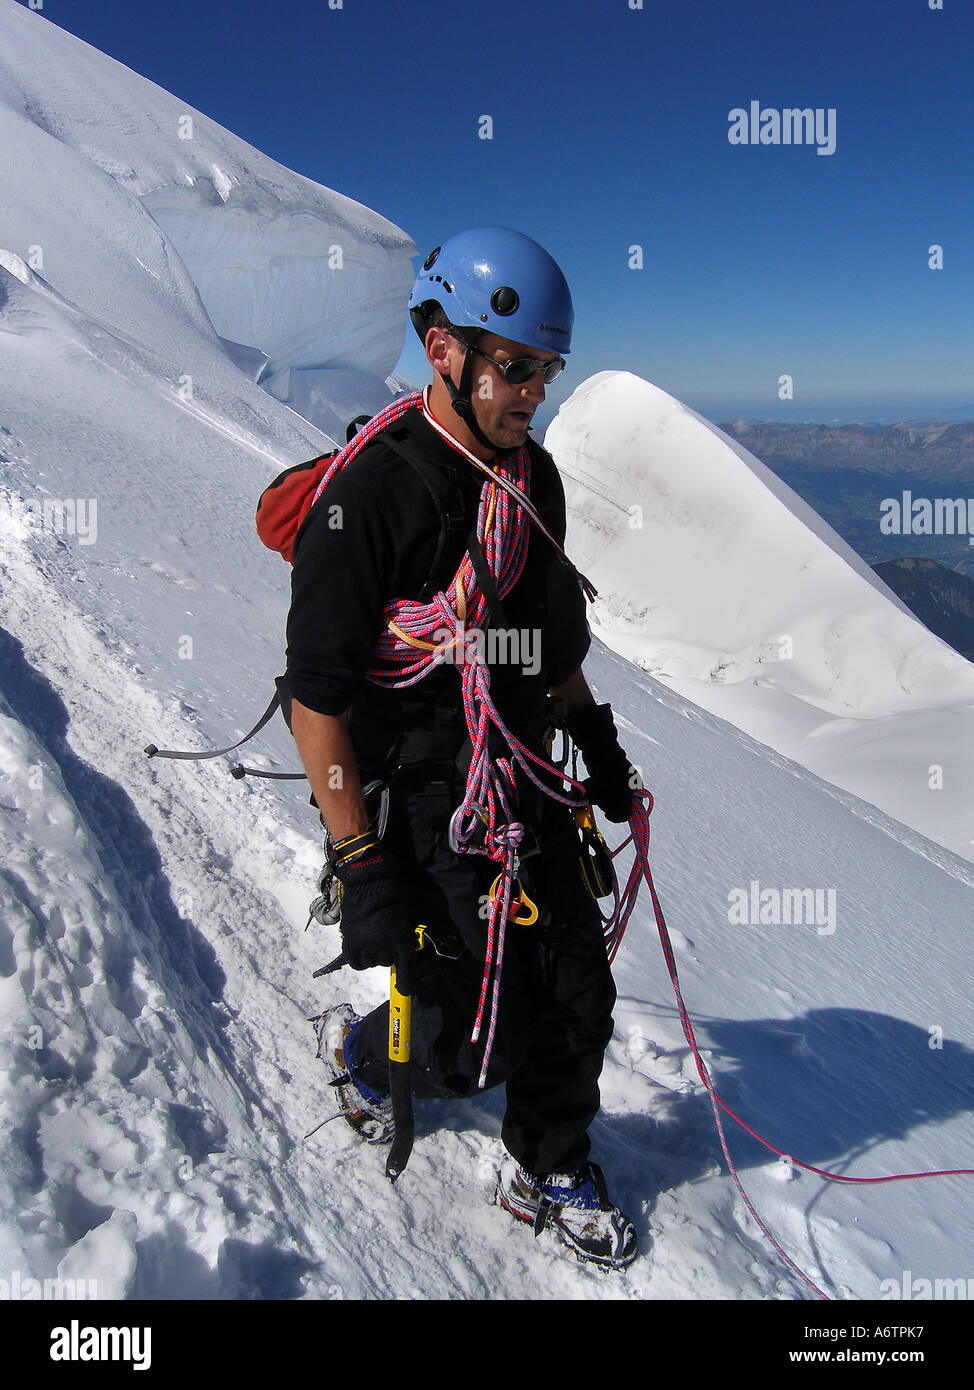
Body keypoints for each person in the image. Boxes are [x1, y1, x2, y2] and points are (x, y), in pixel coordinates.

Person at [285, 227, 641, 1270]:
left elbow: (545, 648)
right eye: (519, 367)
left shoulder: (532, 482)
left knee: (574, 985)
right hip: (415, 778)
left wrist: (595, 742)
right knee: (453, 1040)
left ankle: (546, 1159)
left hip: (518, 766)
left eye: (546, 371)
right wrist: (359, 862)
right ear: (443, 348)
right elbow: (318, 703)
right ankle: (363, 1055)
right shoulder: (369, 500)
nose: (536, 392)